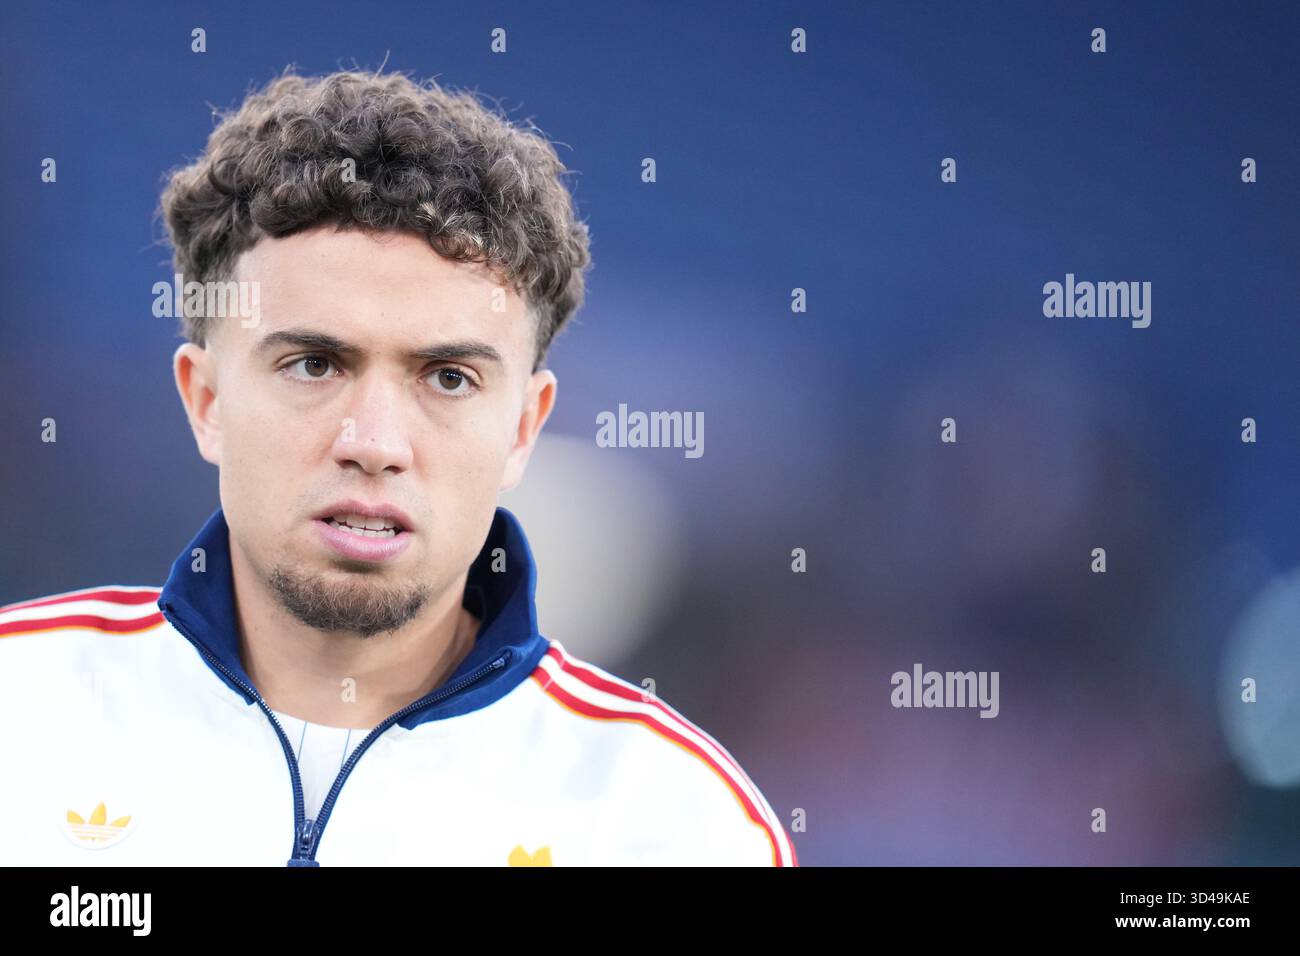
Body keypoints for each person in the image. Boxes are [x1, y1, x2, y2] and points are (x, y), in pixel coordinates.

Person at [0, 68, 797, 866]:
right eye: (314, 364)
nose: (374, 441)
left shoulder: (681, 824)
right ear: (205, 399)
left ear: (524, 428)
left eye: (448, 378)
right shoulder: (20, 712)